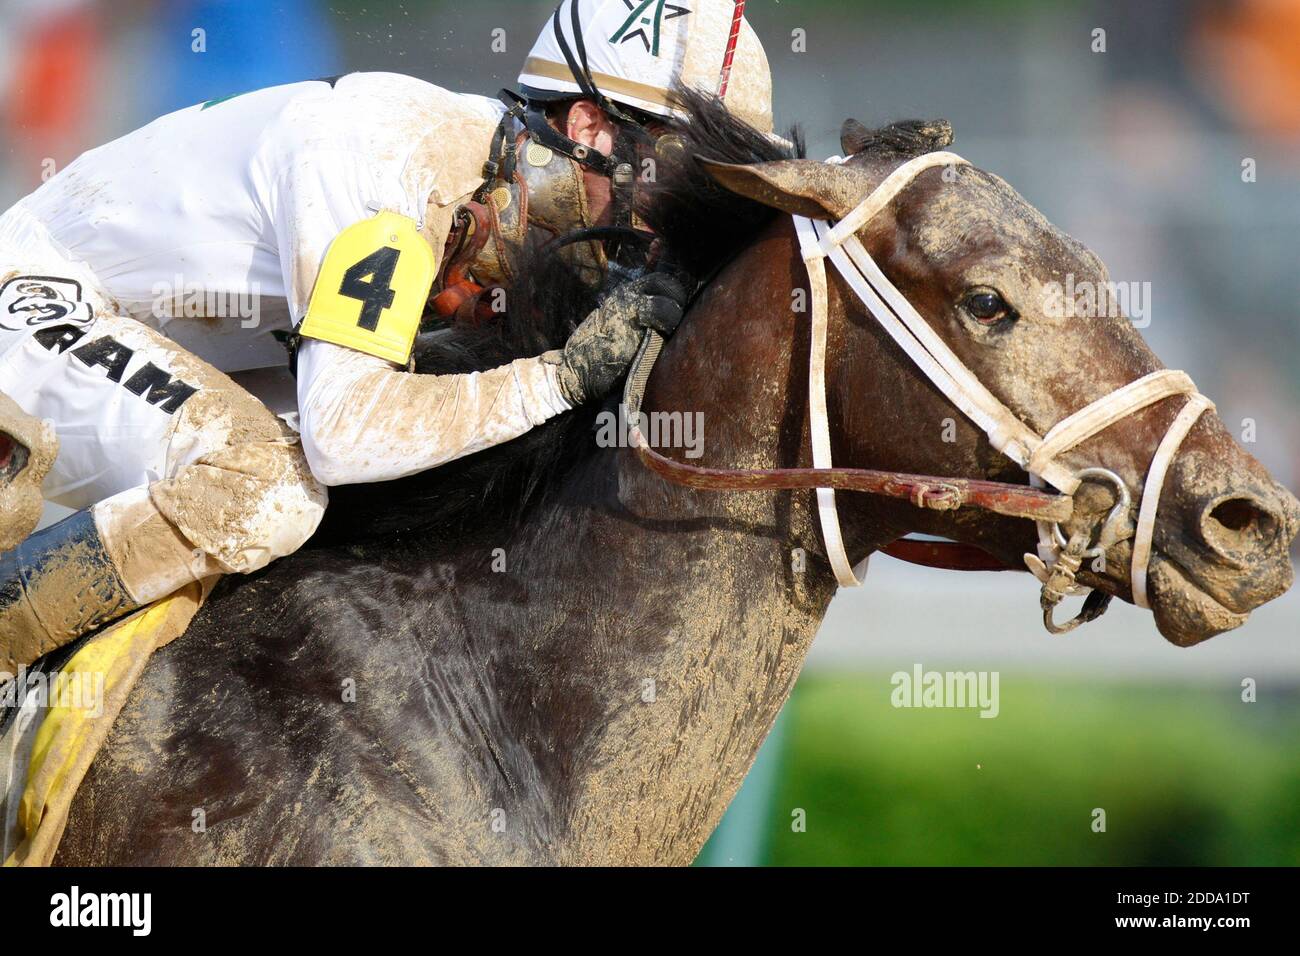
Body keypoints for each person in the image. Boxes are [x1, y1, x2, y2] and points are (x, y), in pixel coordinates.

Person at [0, 0, 773, 673]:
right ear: (590, 127)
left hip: (147, 336)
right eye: (679, 176)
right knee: (267, 488)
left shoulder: (509, 198)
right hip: (32, 299)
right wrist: (558, 381)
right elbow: (347, 435)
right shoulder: (398, 161)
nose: (674, 224)